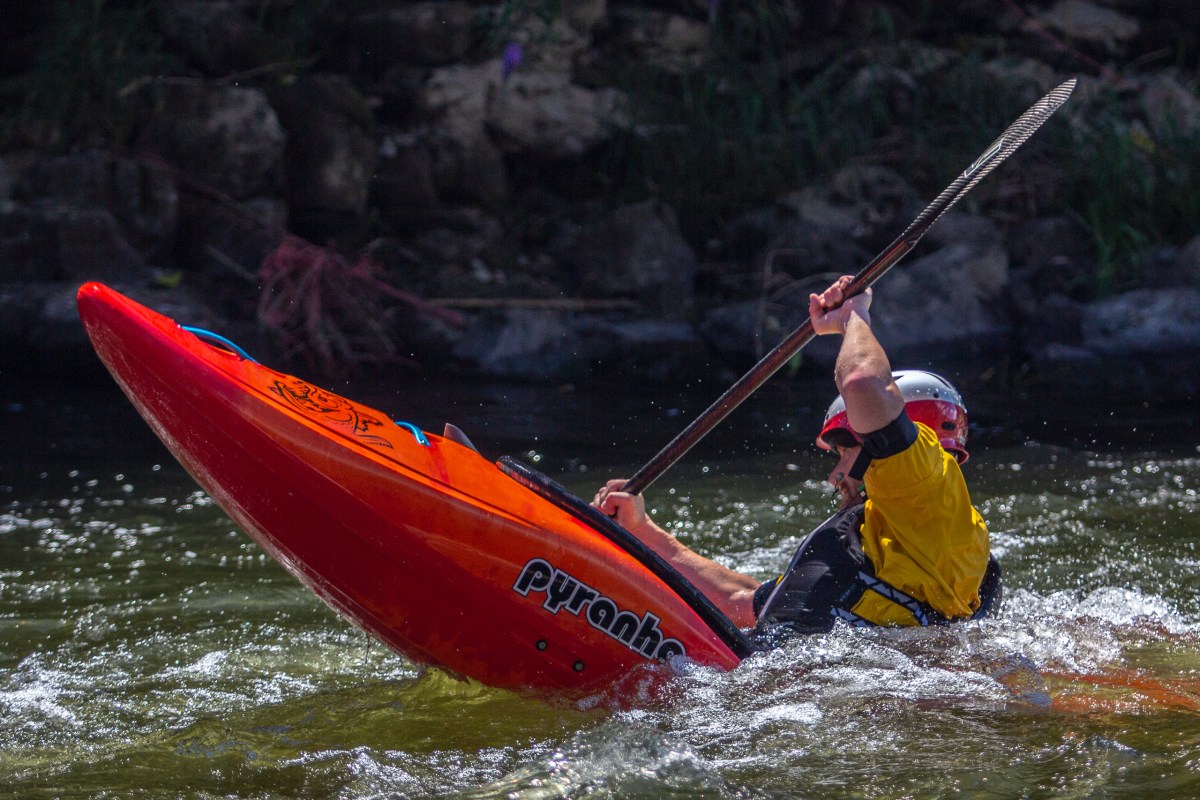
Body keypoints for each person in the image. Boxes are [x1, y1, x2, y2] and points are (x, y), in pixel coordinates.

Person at [593, 275, 999, 635]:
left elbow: (860, 382)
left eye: (844, 452)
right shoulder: (889, 531)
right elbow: (743, 600)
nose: (835, 474)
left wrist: (853, 317)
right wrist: (644, 532)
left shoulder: (922, 487)